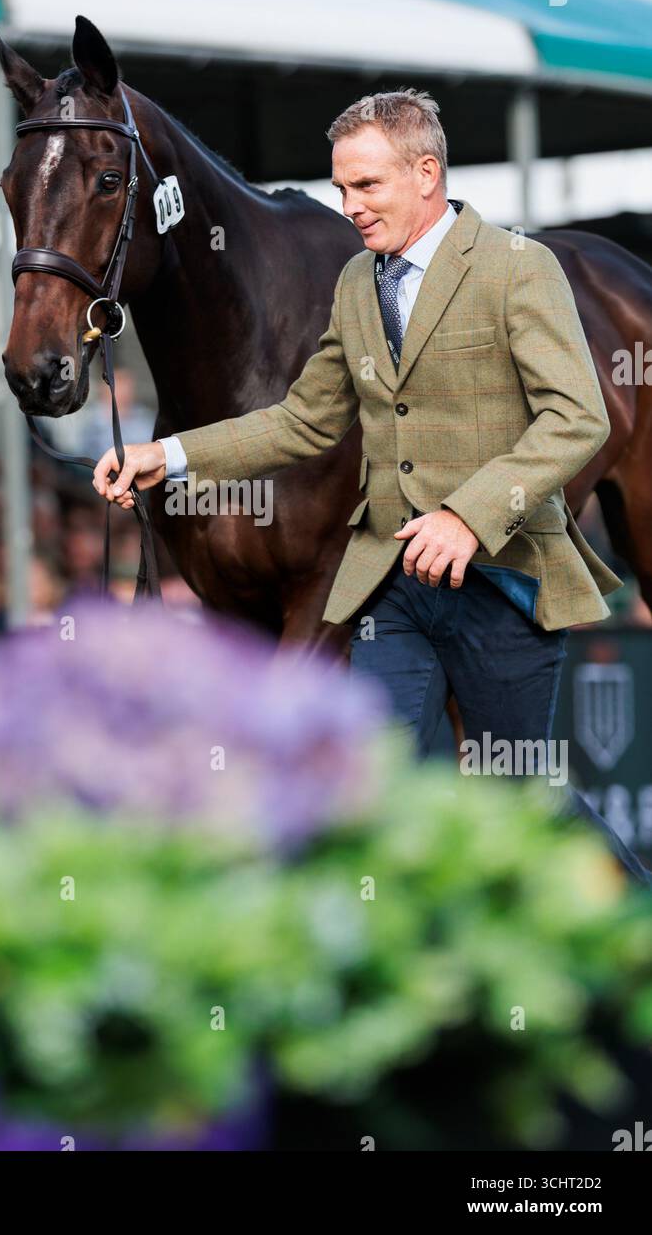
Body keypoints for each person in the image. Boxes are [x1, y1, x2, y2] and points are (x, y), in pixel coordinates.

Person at [92, 88, 649, 886]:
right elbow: (303, 422)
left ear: (427, 173)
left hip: (503, 579)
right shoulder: (358, 284)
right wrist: (169, 457)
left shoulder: (519, 270)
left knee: (522, 797)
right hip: (388, 585)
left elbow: (577, 419)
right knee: (378, 787)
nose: (346, 206)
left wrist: (468, 515)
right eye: (340, 188)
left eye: (366, 186)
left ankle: (635, 930)